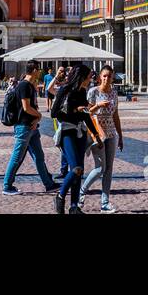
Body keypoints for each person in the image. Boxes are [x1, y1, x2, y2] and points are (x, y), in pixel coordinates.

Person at [2, 62, 57, 196]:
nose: (40, 72)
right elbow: (26, 107)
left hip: (32, 126)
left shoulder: (30, 86)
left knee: (39, 156)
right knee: (17, 157)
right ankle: (7, 185)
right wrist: (38, 115)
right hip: (24, 126)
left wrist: (37, 119)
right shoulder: (24, 85)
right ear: (33, 70)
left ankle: (48, 184)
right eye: (38, 70)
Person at [51, 65, 98, 214]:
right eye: (89, 76)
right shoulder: (65, 90)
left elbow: (85, 114)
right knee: (76, 168)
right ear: (82, 77)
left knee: (80, 171)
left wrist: (96, 134)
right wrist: (73, 110)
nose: (91, 79)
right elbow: (54, 113)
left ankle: (74, 206)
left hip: (80, 132)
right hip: (67, 131)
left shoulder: (82, 91)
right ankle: (60, 196)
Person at [82, 64, 122, 213]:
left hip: (111, 134)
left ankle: (105, 202)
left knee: (109, 169)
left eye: (109, 76)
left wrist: (121, 136)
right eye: (104, 76)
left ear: (112, 78)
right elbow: (86, 112)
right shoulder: (93, 92)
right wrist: (98, 106)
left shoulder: (114, 93)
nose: (106, 79)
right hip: (97, 133)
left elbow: (116, 115)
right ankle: (81, 192)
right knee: (100, 168)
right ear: (100, 77)